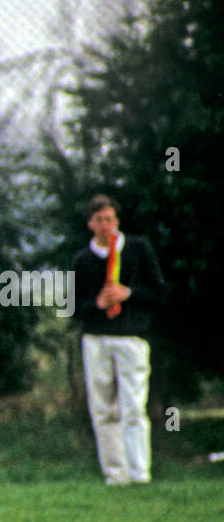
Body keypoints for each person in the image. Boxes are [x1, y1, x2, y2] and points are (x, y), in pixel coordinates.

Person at [72, 195, 167, 485]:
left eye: (110, 219)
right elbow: (74, 308)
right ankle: (115, 474)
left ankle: (140, 474)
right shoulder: (82, 260)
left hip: (131, 338)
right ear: (90, 224)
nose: (105, 225)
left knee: (133, 408)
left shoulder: (138, 249)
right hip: (97, 339)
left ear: (117, 221)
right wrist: (97, 304)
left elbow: (159, 293)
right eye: (99, 220)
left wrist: (129, 294)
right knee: (103, 409)